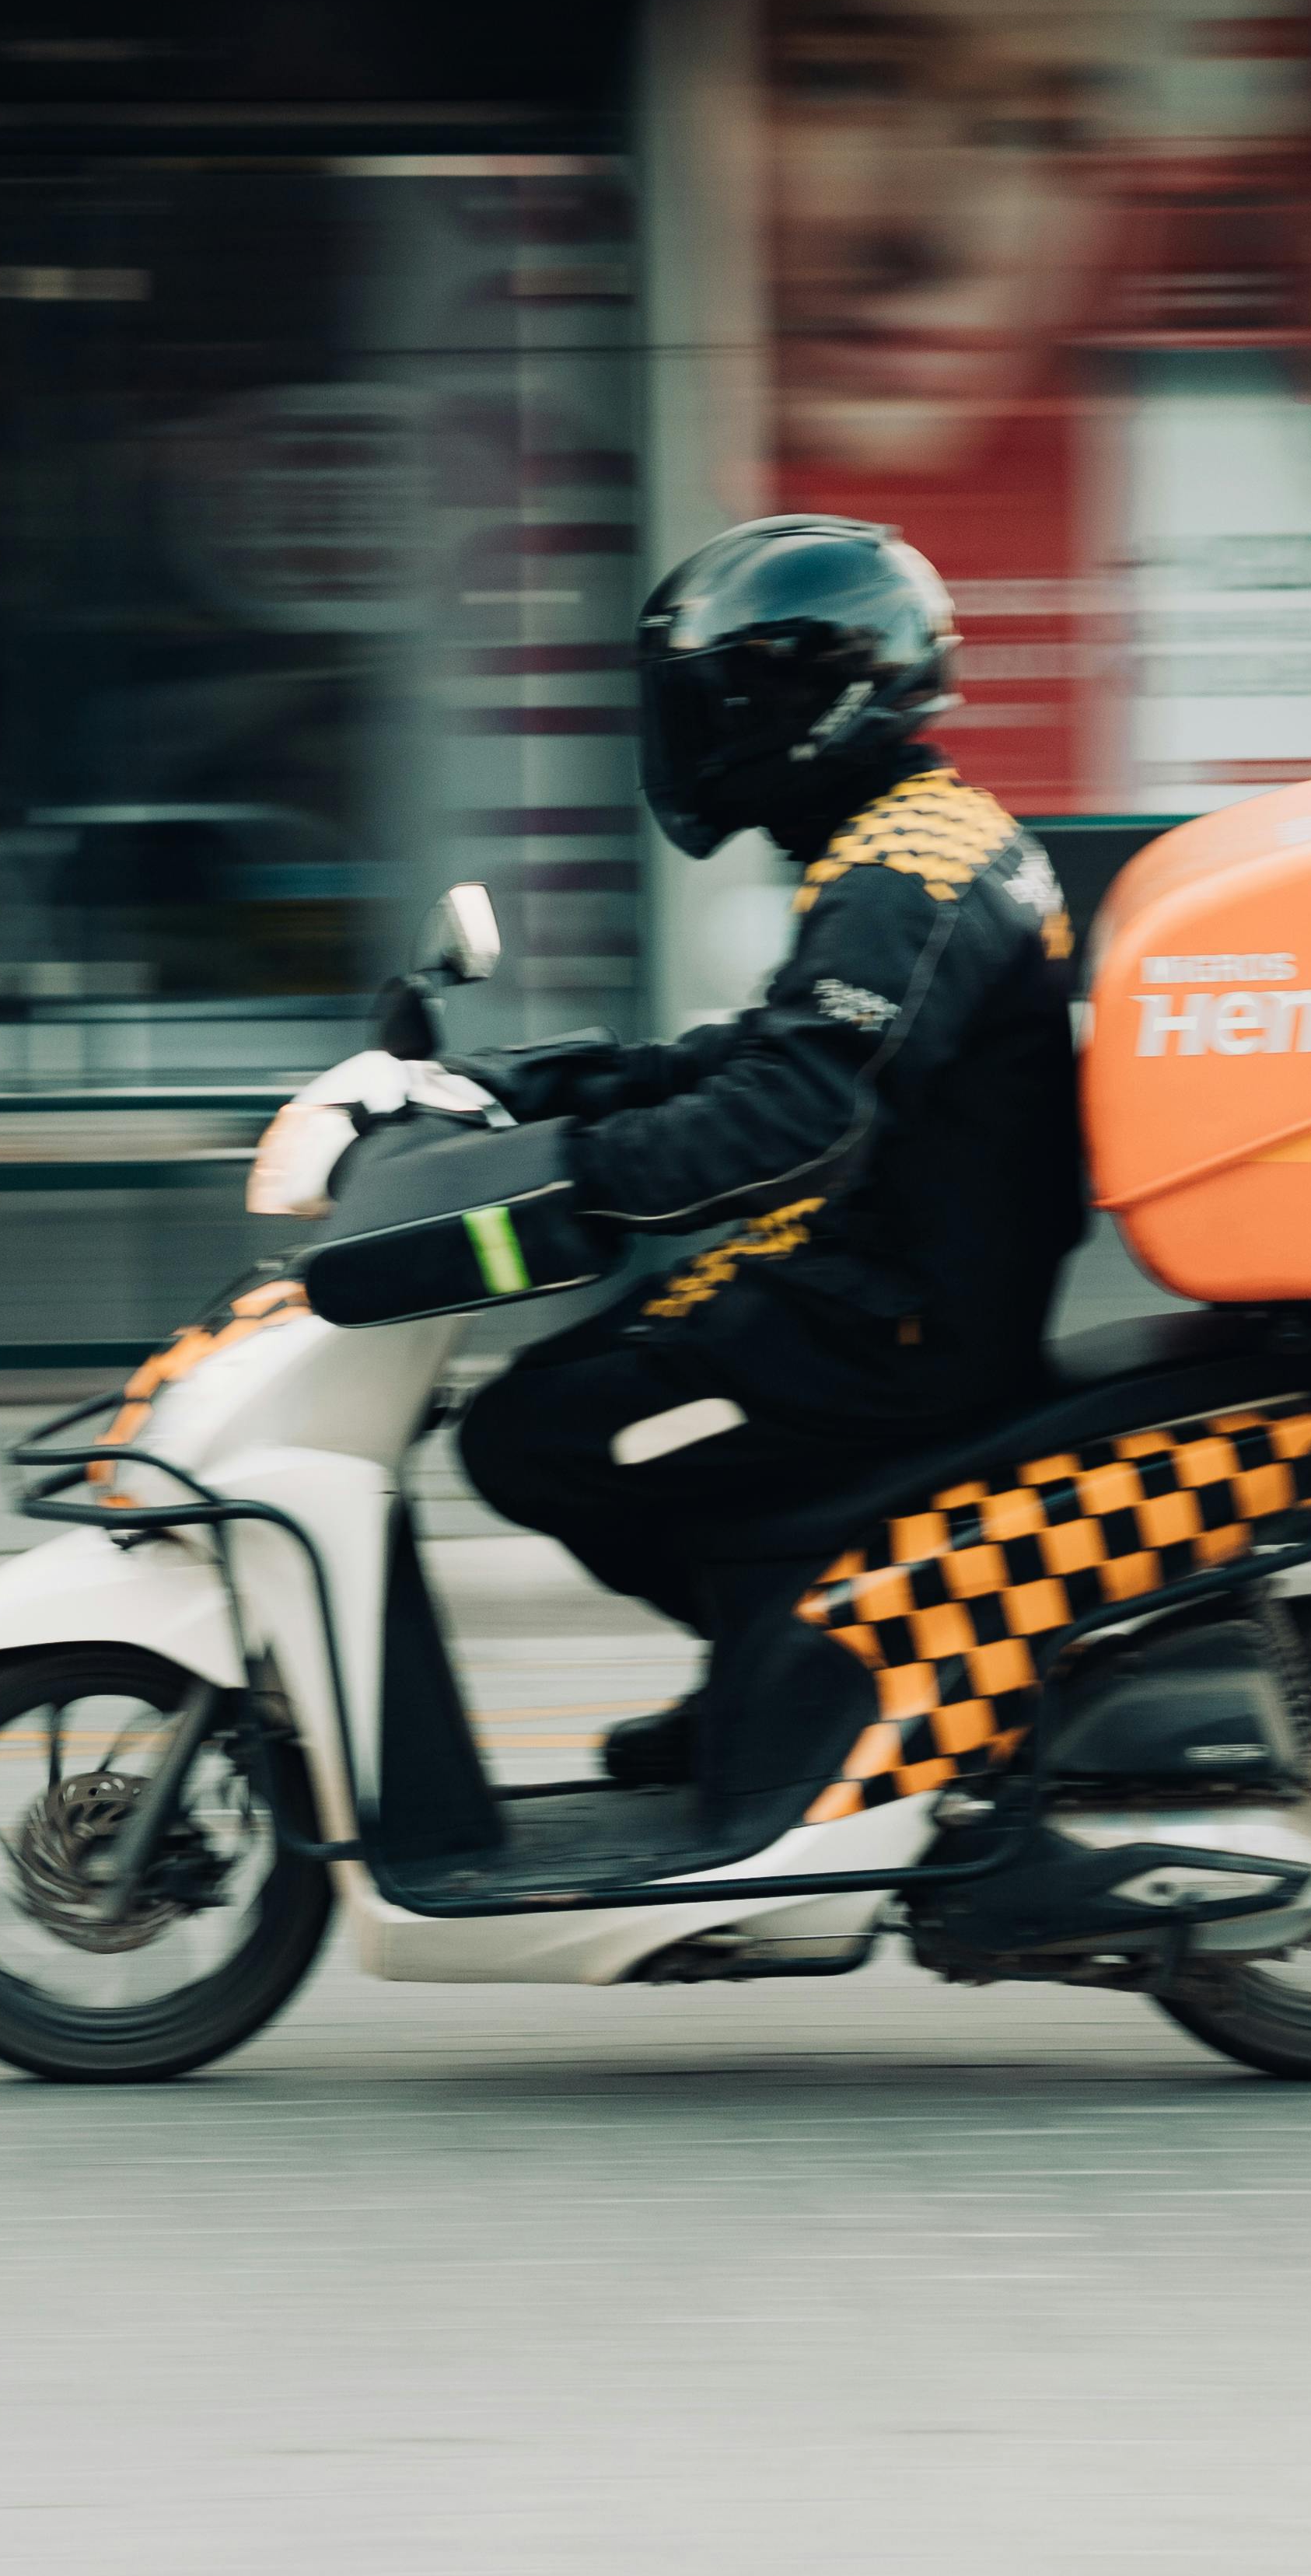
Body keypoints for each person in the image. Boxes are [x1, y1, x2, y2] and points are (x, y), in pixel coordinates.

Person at [444, 515, 1089, 1788]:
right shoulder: (914, 837)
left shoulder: (903, 876)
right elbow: (773, 1053)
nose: (691, 734)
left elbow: (792, 1116)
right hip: (883, 1282)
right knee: (572, 1408)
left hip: (895, 1321)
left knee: (531, 1434)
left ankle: (792, 1672)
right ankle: (776, 1665)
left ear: (806, 708)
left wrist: (575, 1178)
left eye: (712, 702)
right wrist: (538, 1087)